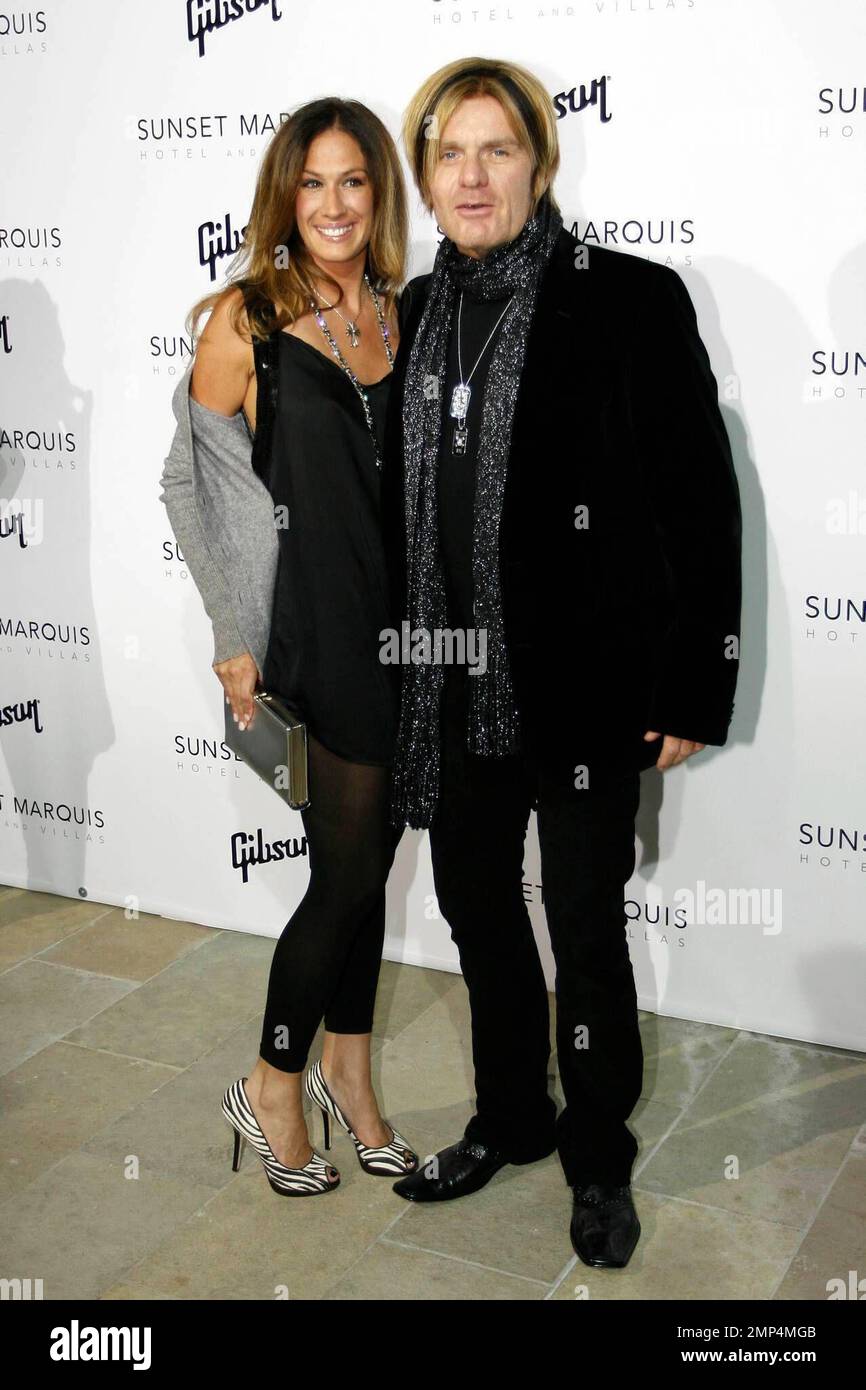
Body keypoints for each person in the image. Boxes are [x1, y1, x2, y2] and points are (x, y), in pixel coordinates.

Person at [380, 57, 742, 1266]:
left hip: (584, 686)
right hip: (450, 678)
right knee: (480, 912)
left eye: (497, 150)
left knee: (582, 926)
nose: (473, 176)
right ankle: (511, 1117)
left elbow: (698, 503)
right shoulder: (416, 311)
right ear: (424, 179)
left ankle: (597, 1152)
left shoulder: (626, 297)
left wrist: (691, 681)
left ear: (539, 161)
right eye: (449, 154)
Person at [159, 98, 419, 1197]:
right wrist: (231, 635)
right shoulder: (244, 320)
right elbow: (188, 480)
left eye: (352, 180)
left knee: (366, 871)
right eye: (310, 183)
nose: (332, 204)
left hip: (410, 635)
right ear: (283, 194)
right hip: (312, 633)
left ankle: (348, 1076)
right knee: (349, 869)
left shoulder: (403, 311)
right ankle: (272, 1081)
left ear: (378, 194)